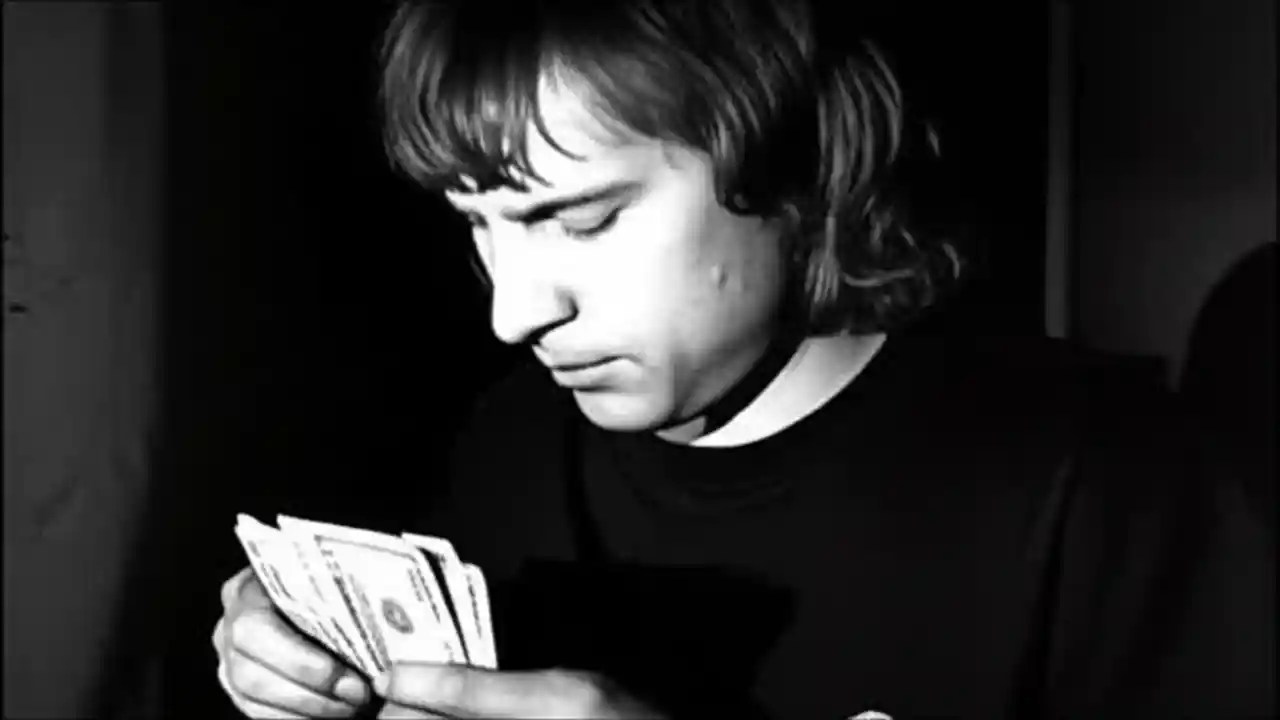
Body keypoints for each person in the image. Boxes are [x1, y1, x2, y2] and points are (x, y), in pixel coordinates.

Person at [211, 0, 1275, 717]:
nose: (512, 312)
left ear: (797, 162)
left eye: (580, 221)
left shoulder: (1107, 476)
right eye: (477, 226)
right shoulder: (509, 447)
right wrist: (309, 674)